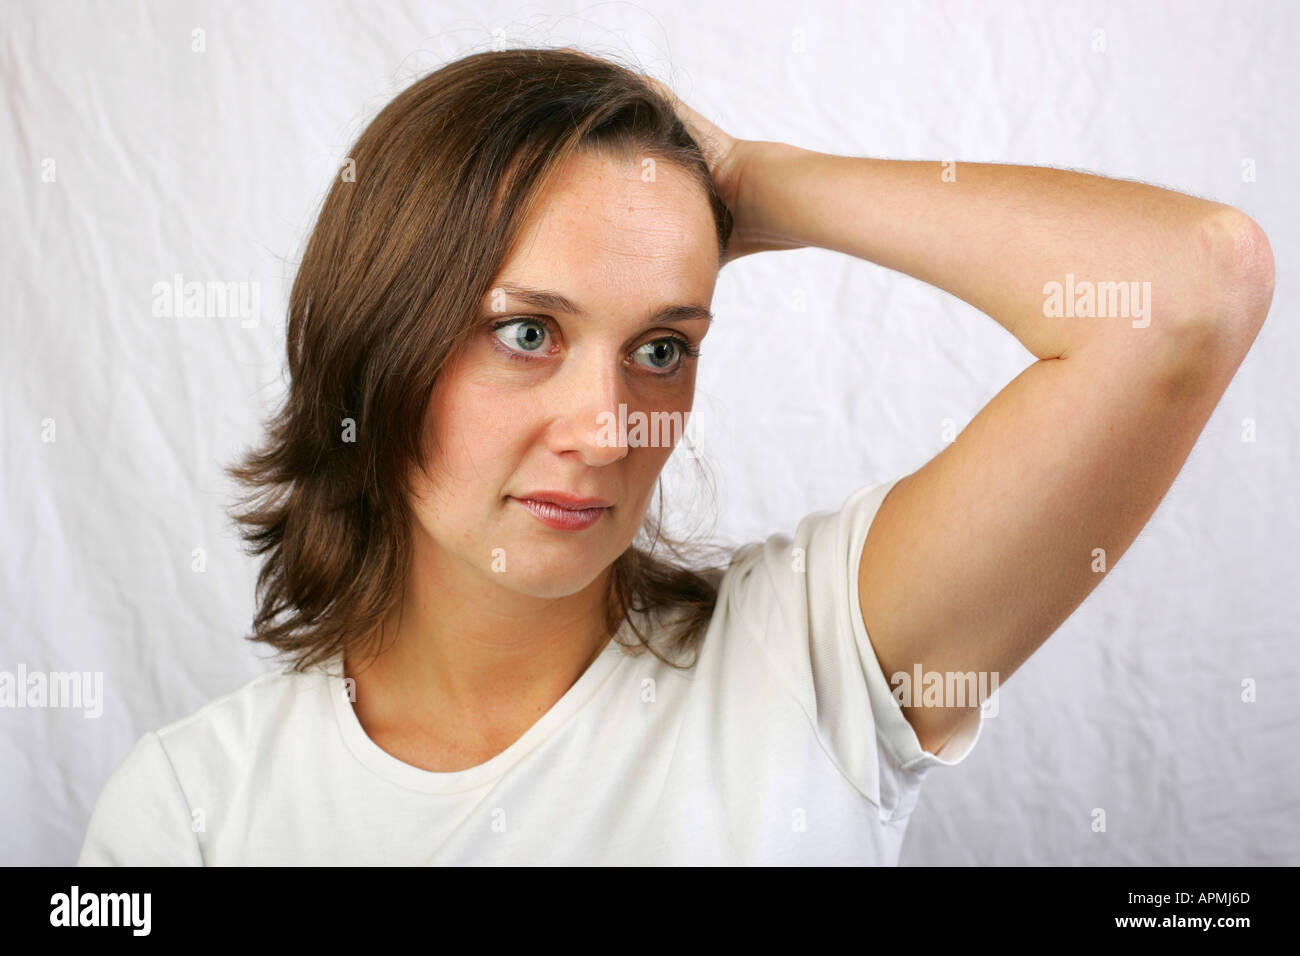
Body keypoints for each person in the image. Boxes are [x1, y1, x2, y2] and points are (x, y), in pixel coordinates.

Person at [76, 46, 1273, 866]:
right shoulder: (191, 812)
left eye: (661, 346)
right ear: (374, 341)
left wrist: (754, 180)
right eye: (526, 332)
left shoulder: (811, 659)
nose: (608, 427)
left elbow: (1189, 288)